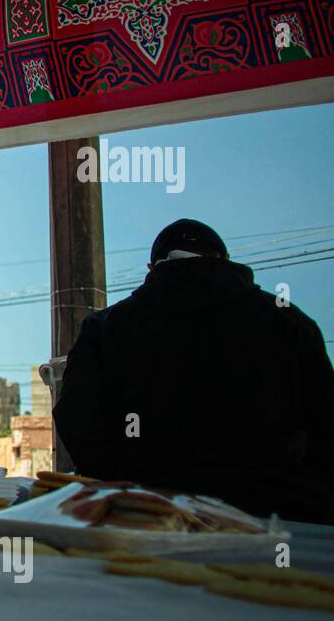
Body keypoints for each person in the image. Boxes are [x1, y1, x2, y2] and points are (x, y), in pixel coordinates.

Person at [53, 218, 334, 524]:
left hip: (147, 516)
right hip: (280, 516)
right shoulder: (290, 322)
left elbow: (76, 417)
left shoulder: (106, 326)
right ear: (224, 259)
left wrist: (122, 483)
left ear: (152, 269)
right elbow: (325, 426)